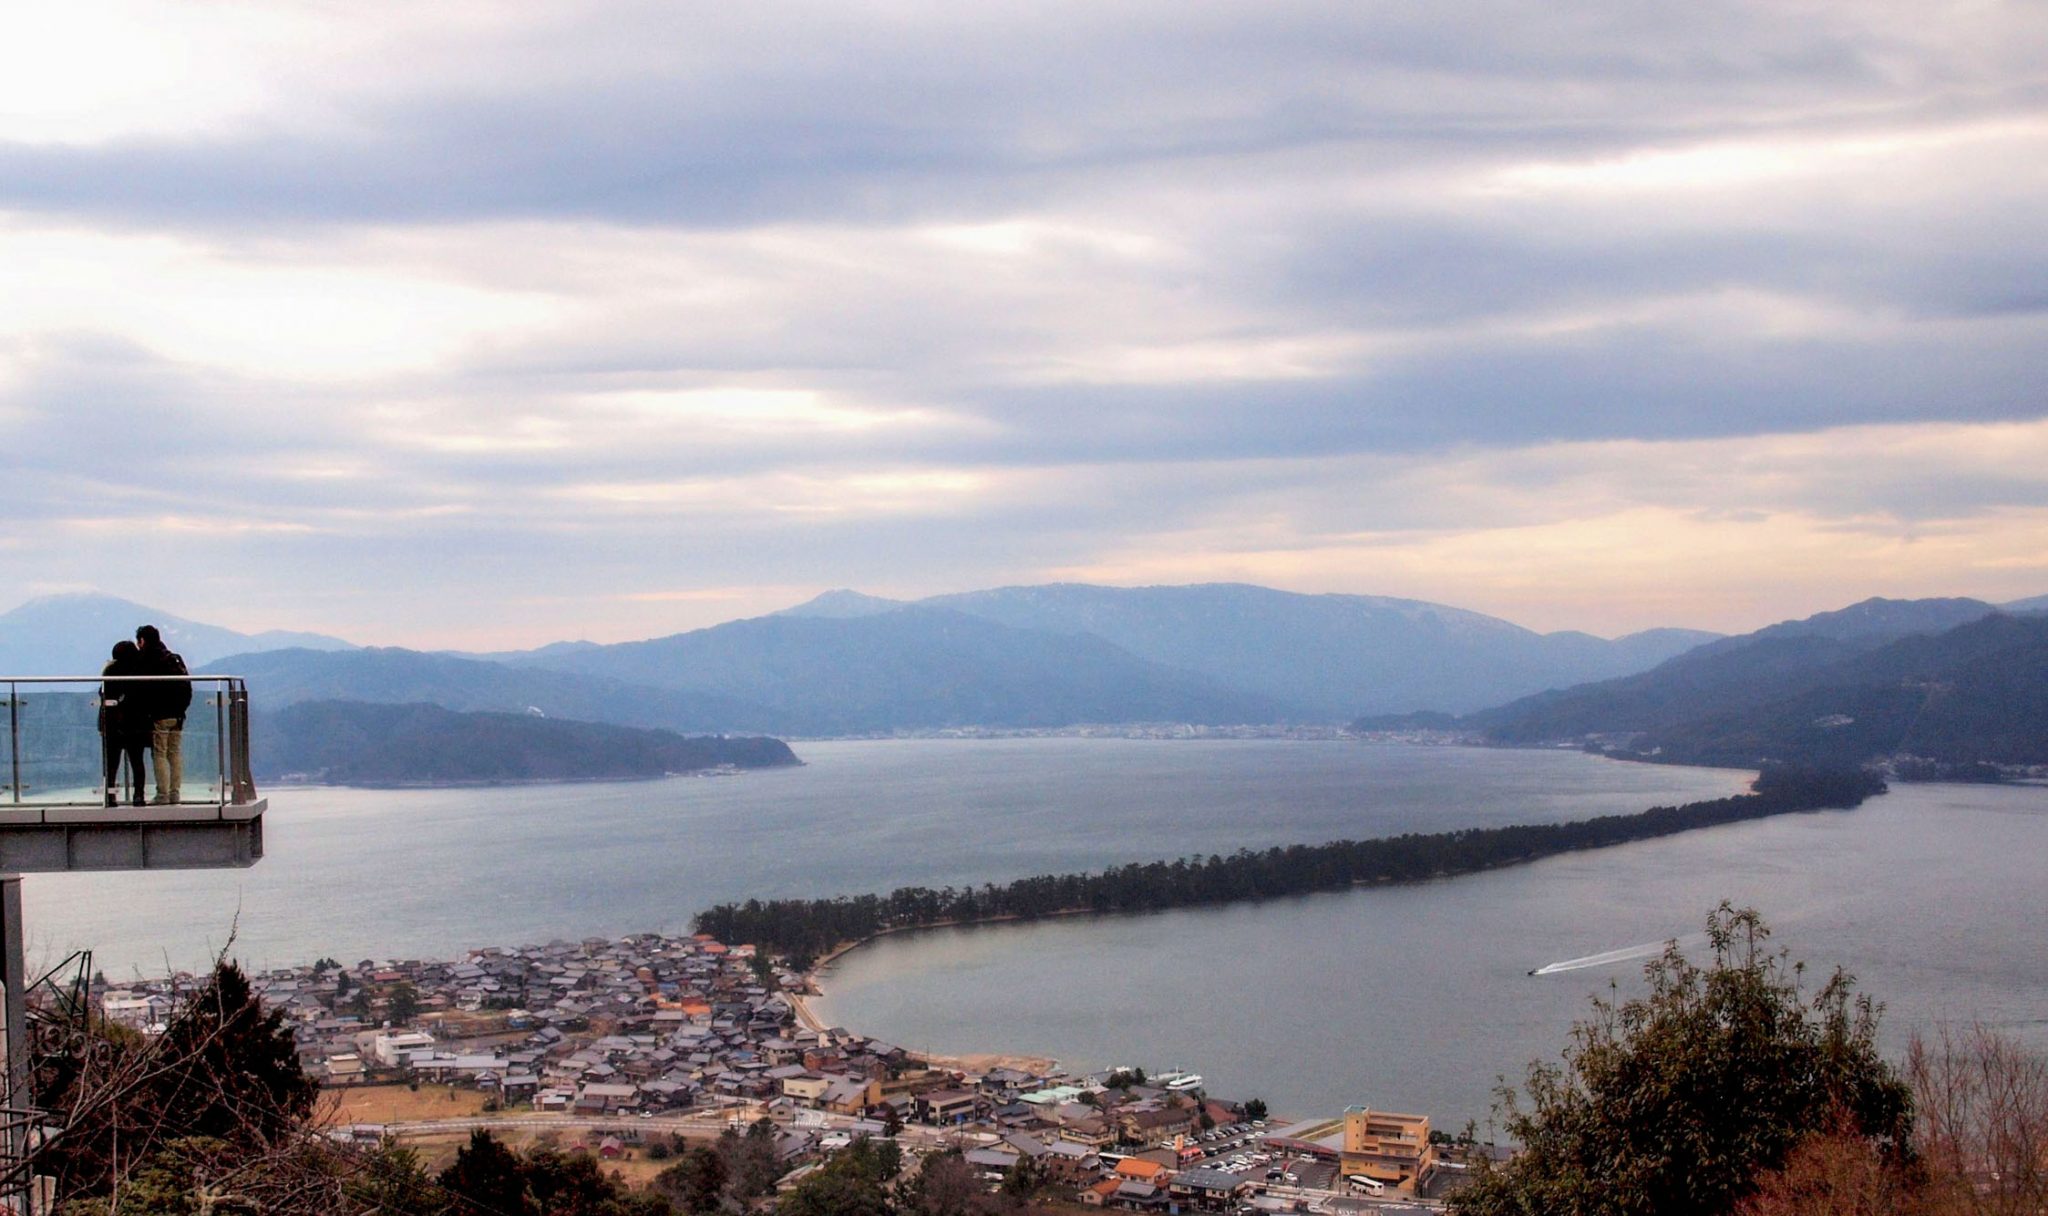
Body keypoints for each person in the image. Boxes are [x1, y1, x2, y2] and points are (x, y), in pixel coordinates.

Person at [135, 624, 192, 805]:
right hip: (178, 715)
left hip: (159, 715)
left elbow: (143, 691)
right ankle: (175, 793)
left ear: (142, 640)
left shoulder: (147, 660)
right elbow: (187, 687)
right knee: (174, 753)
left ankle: (162, 794)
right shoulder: (174, 658)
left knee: (159, 753)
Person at [99, 641, 150, 807]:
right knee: (137, 761)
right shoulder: (139, 670)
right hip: (135, 724)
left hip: (112, 723)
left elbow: (103, 695)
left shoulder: (110, 671)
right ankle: (138, 795)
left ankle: (111, 796)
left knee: (112, 763)